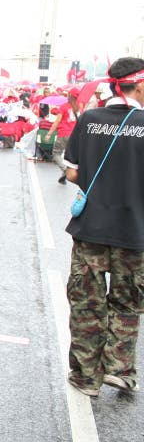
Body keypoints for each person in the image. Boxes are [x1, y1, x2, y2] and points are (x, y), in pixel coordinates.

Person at [62, 56, 144, 397]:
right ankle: (120, 371)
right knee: (127, 304)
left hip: (90, 230)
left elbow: (72, 172)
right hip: (134, 233)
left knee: (87, 304)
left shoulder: (90, 119)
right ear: (139, 85)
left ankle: (85, 378)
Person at [47, 87, 80, 184]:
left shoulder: (64, 107)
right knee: (69, 156)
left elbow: (57, 121)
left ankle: (65, 170)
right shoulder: (79, 107)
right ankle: (63, 175)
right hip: (75, 135)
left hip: (63, 133)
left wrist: (49, 134)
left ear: (69, 95)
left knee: (56, 153)